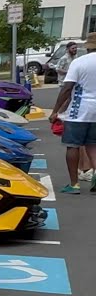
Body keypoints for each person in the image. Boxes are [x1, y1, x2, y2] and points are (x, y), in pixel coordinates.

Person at [48, 32, 96, 194]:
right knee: (93, 145)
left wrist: (56, 111)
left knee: (73, 145)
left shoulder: (79, 63)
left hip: (79, 110)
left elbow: (67, 88)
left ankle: (74, 184)